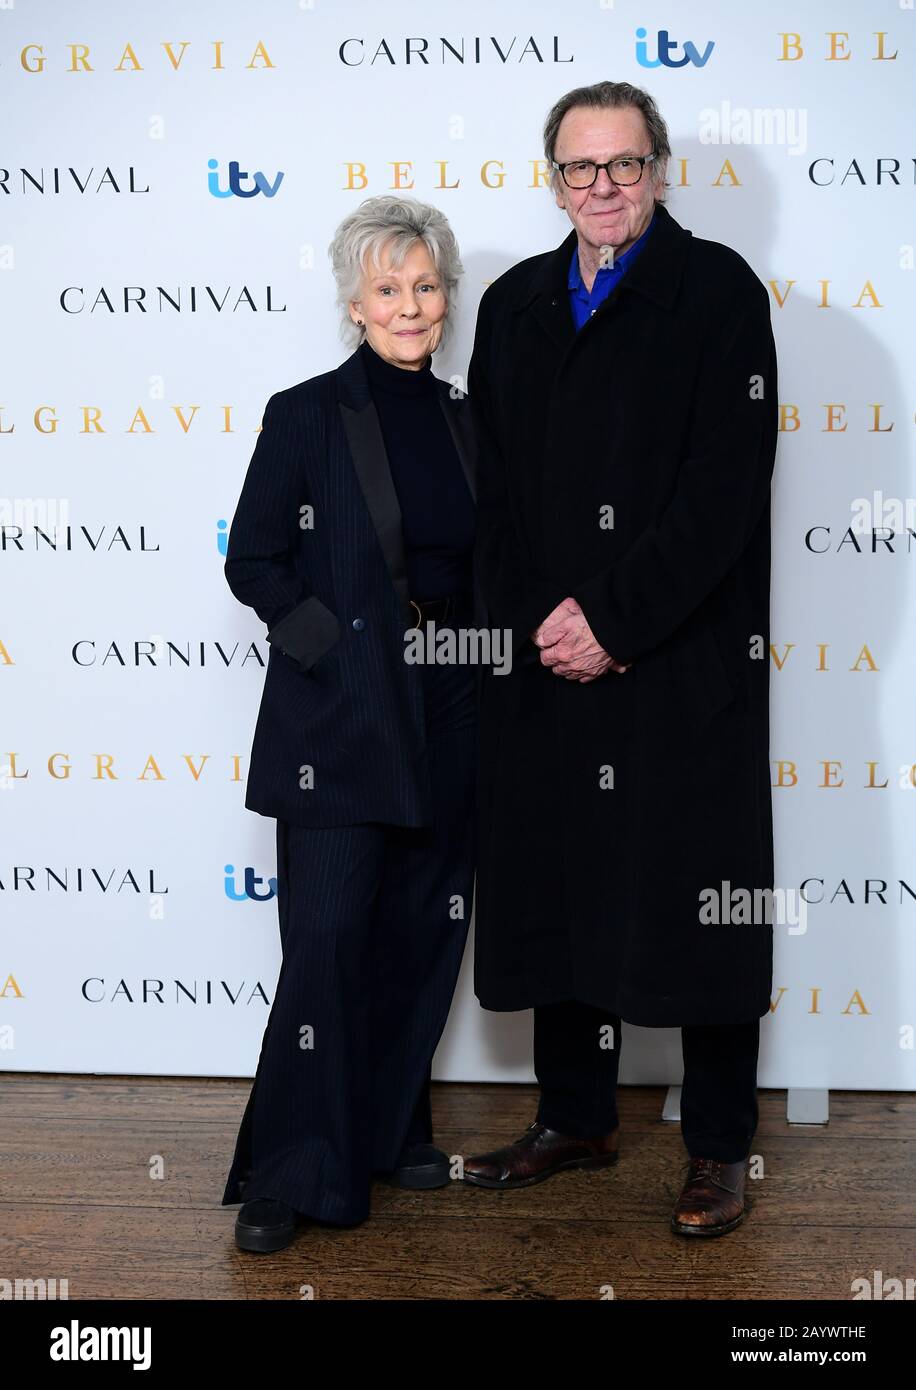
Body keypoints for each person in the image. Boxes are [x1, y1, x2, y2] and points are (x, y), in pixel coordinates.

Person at [463, 81, 779, 1237]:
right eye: (578, 169)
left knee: (697, 895)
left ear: (658, 170)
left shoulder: (720, 294)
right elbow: (486, 489)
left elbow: (722, 492)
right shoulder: (510, 304)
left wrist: (615, 618)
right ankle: (576, 1116)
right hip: (547, 662)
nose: (602, 188)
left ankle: (717, 1144)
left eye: (624, 165)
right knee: (561, 882)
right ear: (552, 177)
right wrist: (543, 619)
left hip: (675, 657)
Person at [221, 195, 478, 1252]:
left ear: (444, 296)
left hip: (456, 704)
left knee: (420, 935)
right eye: (387, 288)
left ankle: (384, 1130)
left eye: (424, 285)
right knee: (327, 940)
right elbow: (253, 560)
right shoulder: (308, 412)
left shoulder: (470, 415)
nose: (409, 306)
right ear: (352, 301)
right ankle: (291, 1168)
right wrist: (337, 651)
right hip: (340, 719)